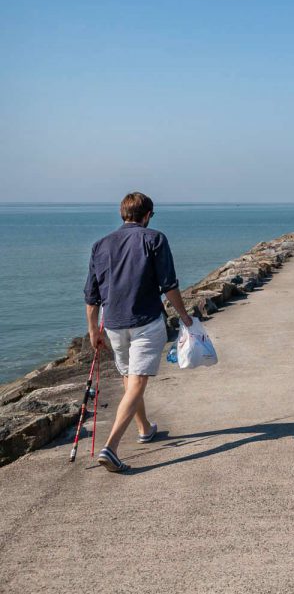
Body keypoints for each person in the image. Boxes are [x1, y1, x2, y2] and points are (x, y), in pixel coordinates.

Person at [84, 192, 194, 473]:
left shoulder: (99, 245)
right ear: (147, 215)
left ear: (123, 214)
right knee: (138, 381)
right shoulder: (154, 238)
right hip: (146, 320)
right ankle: (111, 447)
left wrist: (92, 331)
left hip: (113, 325)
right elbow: (169, 284)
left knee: (129, 377)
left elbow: (91, 296)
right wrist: (184, 316)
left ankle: (144, 428)